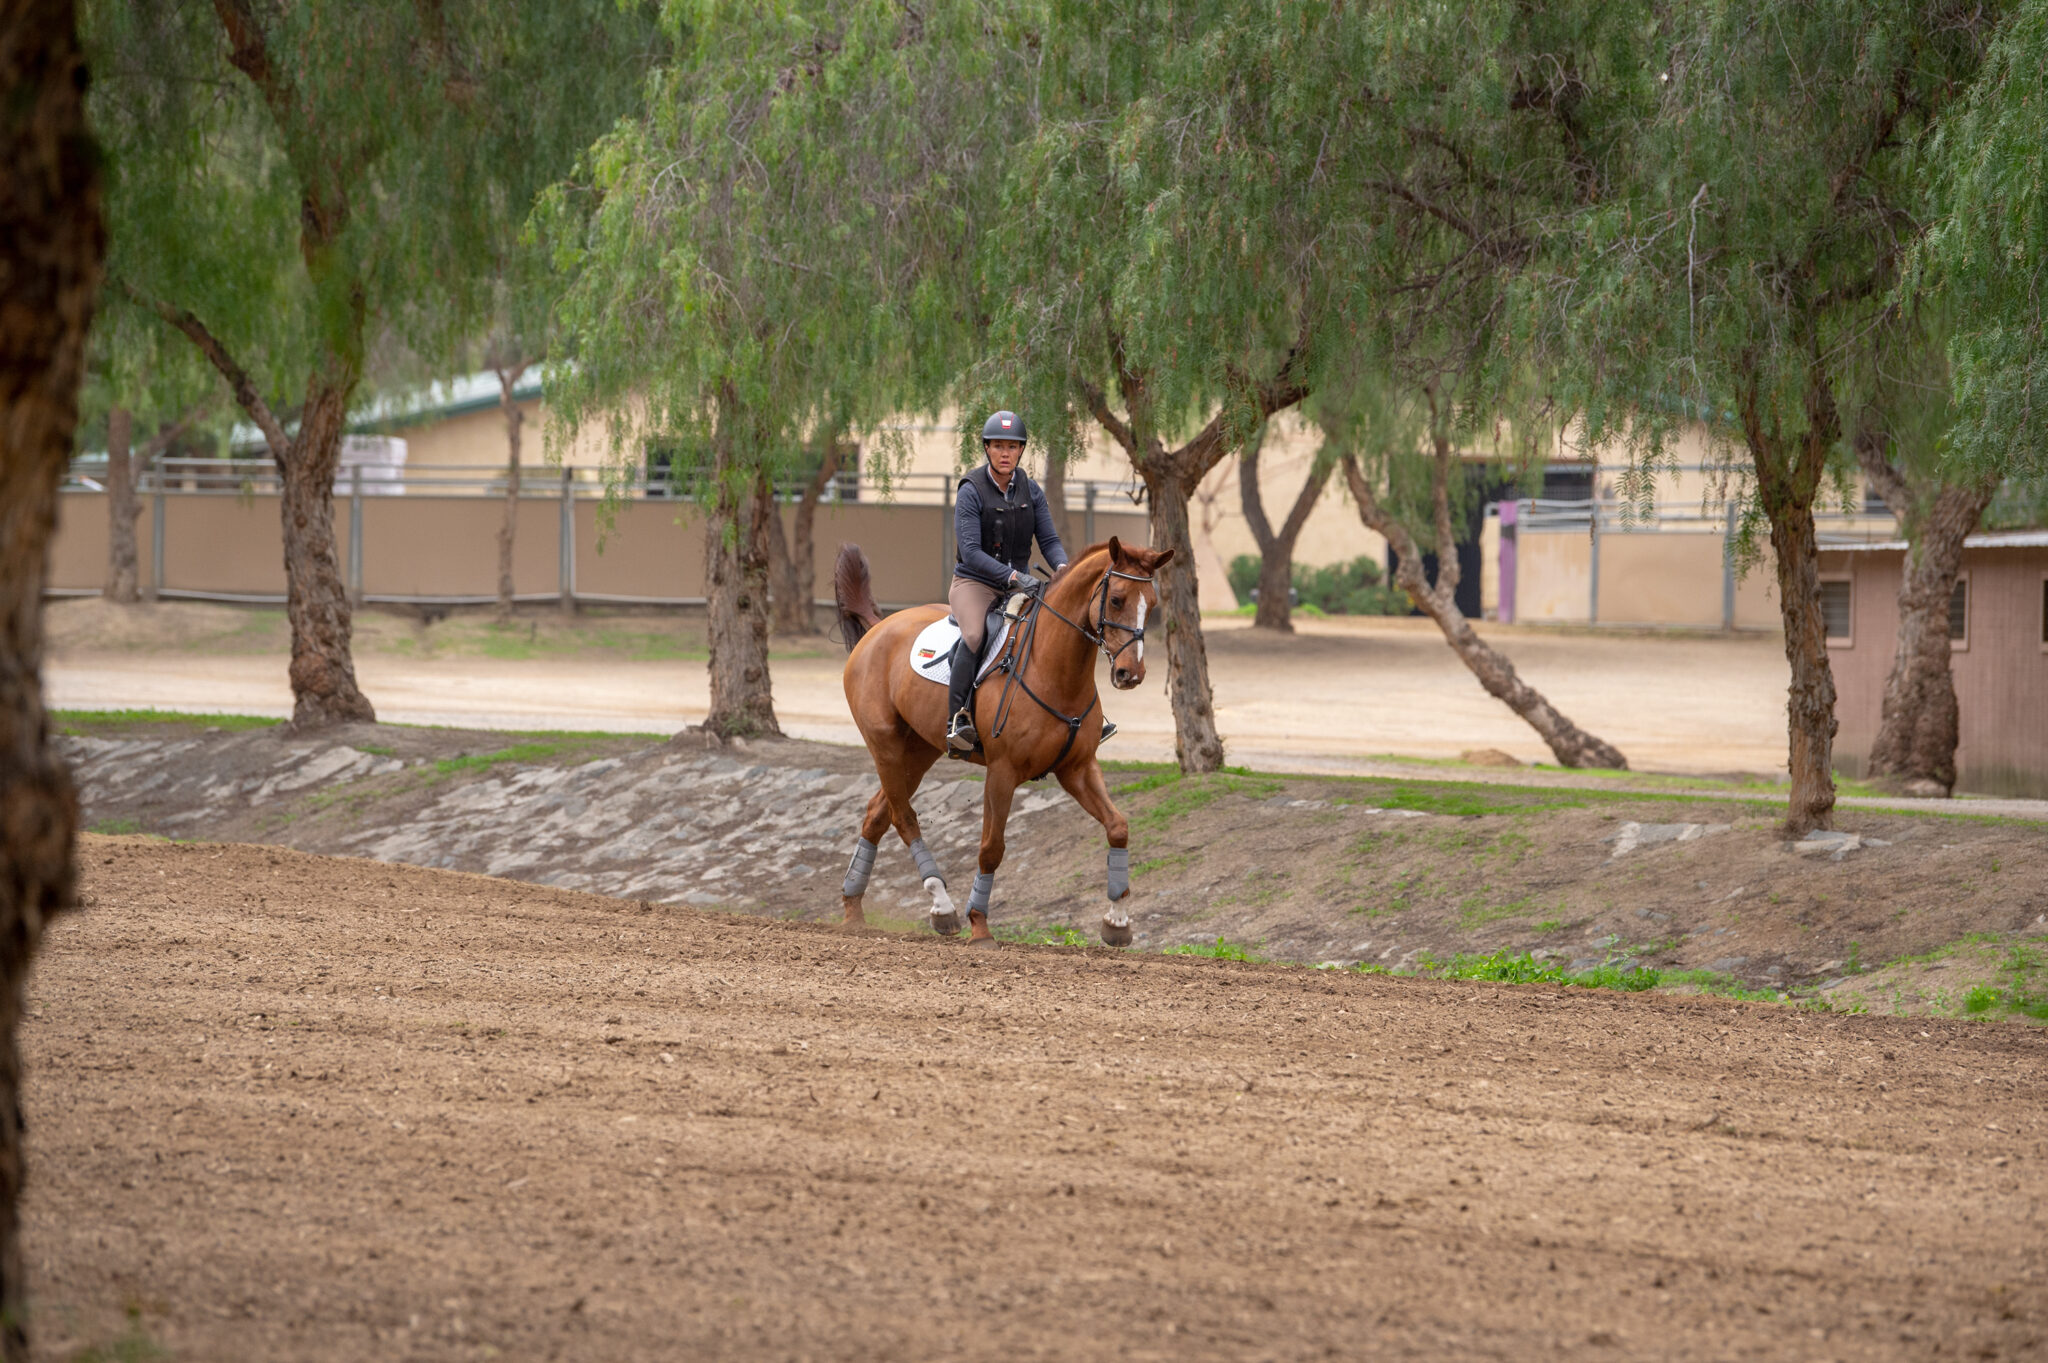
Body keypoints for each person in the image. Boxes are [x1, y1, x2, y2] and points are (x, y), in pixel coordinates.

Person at [947, 410, 1110, 755]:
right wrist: (1013, 576)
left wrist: (1063, 569)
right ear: (987, 448)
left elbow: (1048, 540)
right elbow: (971, 552)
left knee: (1060, 631)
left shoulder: (1031, 490)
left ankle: (1088, 713)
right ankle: (958, 718)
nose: (1005, 453)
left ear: (1021, 450)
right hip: (975, 584)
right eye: (998, 446)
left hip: (1018, 586)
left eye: (1012, 447)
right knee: (975, 635)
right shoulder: (970, 490)